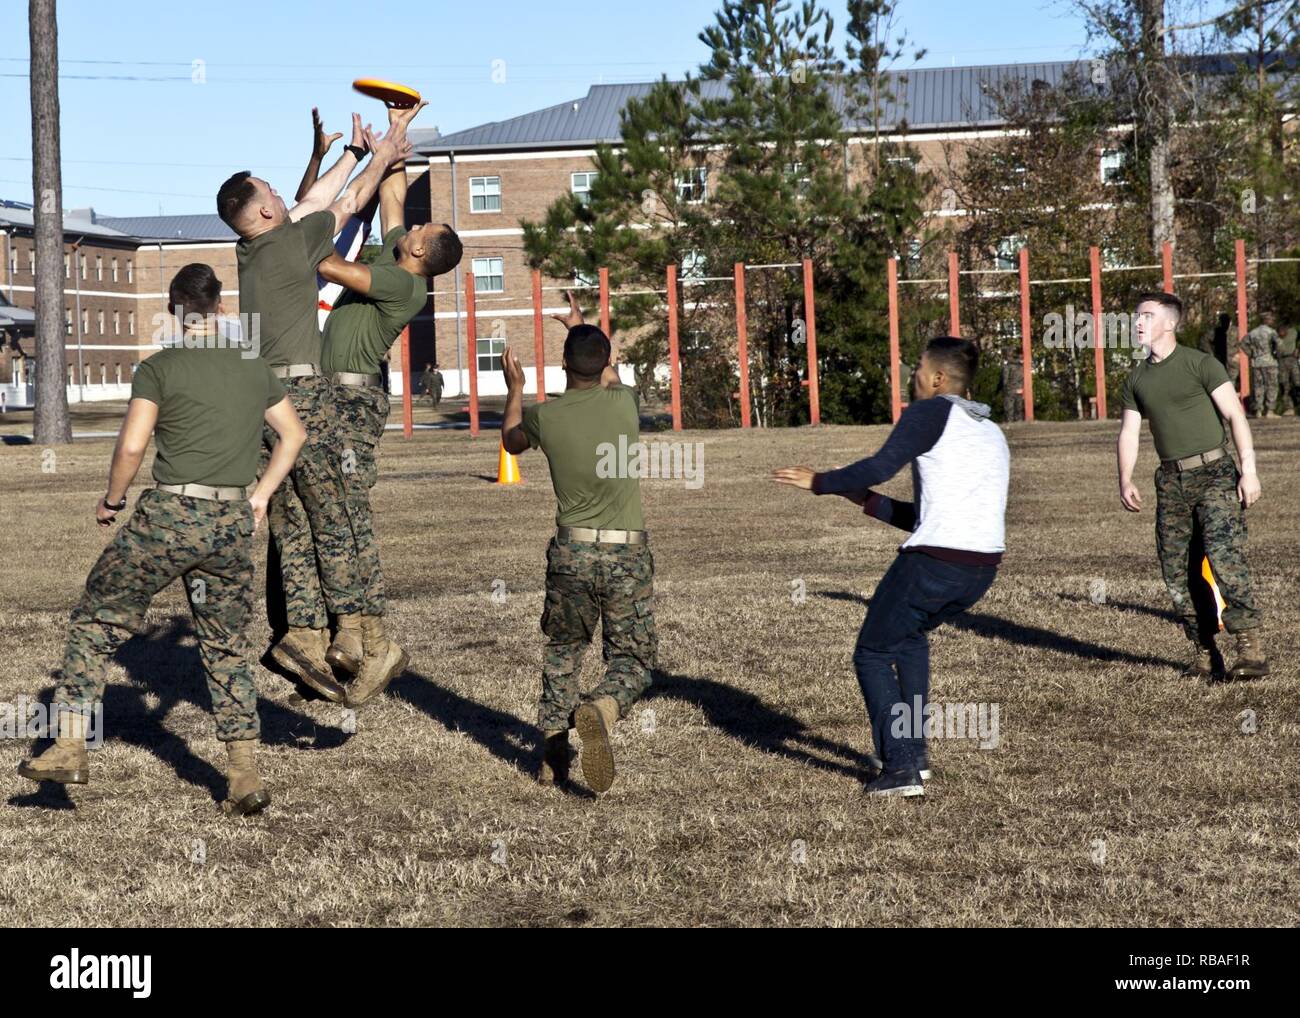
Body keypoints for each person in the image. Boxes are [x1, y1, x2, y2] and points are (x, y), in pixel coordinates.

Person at [17, 264, 306, 816]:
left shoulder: (159, 366)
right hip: (229, 523)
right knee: (225, 648)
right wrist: (261, 495)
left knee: (96, 621)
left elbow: (130, 448)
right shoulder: (253, 365)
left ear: (175, 309)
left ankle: (71, 744)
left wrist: (112, 500)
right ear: (221, 306)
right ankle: (243, 774)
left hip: (169, 514)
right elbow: (293, 434)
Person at [215, 102, 419, 703]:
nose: (285, 192)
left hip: (261, 399)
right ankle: (368, 640)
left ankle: (303, 634)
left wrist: (350, 153)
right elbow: (350, 200)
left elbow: (312, 201)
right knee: (336, 514)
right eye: (273, 190)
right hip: (304, 392)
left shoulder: (252, 250)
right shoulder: (295, 239)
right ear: (266, 210)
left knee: (293, 520)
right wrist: (390, 142)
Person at [773, 336, 1009, 798]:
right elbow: (924, 516)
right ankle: (913, 758)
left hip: (933, 562)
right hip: (979, 570)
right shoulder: (988, 428)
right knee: (908, 641)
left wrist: (820, 482)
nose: (912, 373)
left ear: (938, 378)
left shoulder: (930, 411)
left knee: (874, 652)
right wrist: (864, 500)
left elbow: (880, 464)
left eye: (918, 366)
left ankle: (900, 767)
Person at [314, 107, 463, 705]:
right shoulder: (392, 257)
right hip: (332, 393)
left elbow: (323, 263)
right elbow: (396, 203)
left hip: (352, 399)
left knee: (346, 510)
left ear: (423, 256)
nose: (414, 228)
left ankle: (372, 638)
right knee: (330, 509)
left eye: (422, 235)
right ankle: (352, 634)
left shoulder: (402, 282)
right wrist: (395, 136)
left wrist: (297, 233)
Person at [500, 293, 657, 794]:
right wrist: (582, 323)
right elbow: (605, 371)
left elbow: (509, 440)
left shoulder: (546, 416)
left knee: (564, 648)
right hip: (624, 550)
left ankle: (550, 753)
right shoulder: (624, 403)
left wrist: (516, 388)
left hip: (570, 549)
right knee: (632, 659)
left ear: (563, 364)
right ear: (607, 362)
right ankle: (603, 708)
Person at [1117, 291, 1267, 681]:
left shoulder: (1201, 364)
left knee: (1224, 557)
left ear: (1170, 323)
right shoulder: (1136, 377)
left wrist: (1248, 471)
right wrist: (1125, 477)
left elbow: (1235, 416)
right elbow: (1130, 432)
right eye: (1136, 316)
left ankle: (1250, 648)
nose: (1137, 323)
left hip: (1215, 472)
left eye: (1146, 316)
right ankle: (1204, 653)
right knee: (1178, 571)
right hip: (1170, 480)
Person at [1243, 312, 1280, 418]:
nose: (1272, 321)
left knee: (1258, 386)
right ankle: (1270, 410)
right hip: (1270, 362)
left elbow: (1242, 343)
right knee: (1271, 385)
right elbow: (1279, 345)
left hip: (1257, 363)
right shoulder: (1271, 332)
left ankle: (1258, 410)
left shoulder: (1253, 333)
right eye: (1271, 319)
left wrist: (1252, 354)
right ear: (1267, 320)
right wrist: (1277, 355)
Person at [1274, 318, 1299, 415]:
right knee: (1284, 384)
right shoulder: (1275, 335)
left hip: (1292, 359)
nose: (1282, 333)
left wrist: (1297, 348)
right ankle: (1289, 407)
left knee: (1297, 383)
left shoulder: (1294, 332)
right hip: (1281, 360)